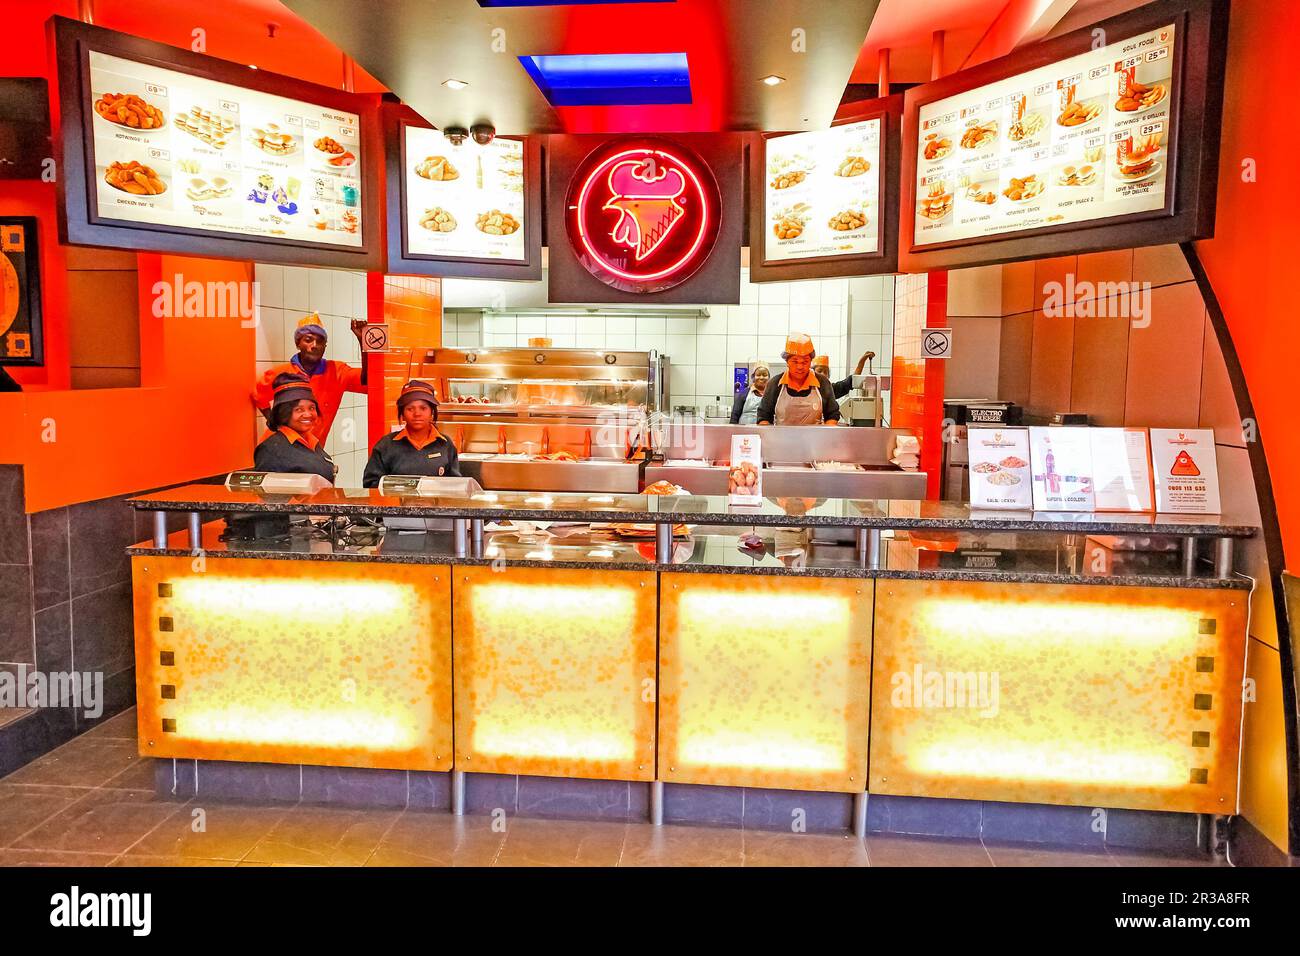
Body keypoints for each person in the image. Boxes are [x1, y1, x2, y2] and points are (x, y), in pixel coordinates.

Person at [252, 312, 368, 443]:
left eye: (320, 341)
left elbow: (368, 382)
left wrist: (364, 342)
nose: (314, 345)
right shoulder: (282, 372)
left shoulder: (337, 372)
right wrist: (273, 422)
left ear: (325, 346)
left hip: (312, 451)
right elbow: (258, 394)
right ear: (298, 344)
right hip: (278, 448)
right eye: (308, 340)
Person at [363, 380, 461, 487]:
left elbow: (456, 486)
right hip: (394, 503)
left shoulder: (445, 444)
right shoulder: (386, 445)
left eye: (423, 408)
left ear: (432, 412)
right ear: (403, 414)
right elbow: (370, 484)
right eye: (410, 409)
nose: (417, 414)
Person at [252, 372, 336, 482]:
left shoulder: (311, 441)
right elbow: (270, 495)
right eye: (299, 410)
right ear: (284, 413)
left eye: (311, 408)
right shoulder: (270, 450)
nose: (308, 414)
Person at [756, 333, 841, 426]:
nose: (800, 366)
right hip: (781, 439)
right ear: (787, 361)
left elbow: (832, 415)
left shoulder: (823, 383)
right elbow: (763, 417)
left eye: (805, 361)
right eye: (795, 361)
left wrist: (825, 435)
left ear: (811, 361)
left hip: (815, 439)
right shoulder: (775, 383)